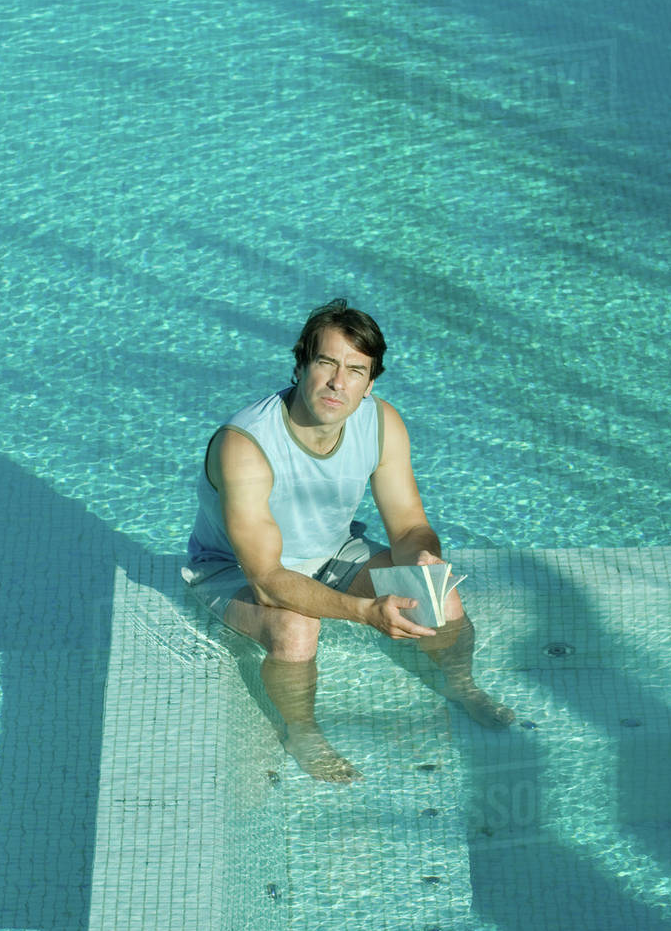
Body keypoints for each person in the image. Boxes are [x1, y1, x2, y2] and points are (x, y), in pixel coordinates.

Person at [183, 300, 513, 782]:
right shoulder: (245, 445)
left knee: (440, 597)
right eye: (327, 363)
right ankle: (301, 731)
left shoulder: (381, 423)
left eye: (356, 370)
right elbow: (269, 581)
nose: (339, 383)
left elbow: (408, 527)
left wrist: (423, 559)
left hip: (336, 552)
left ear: (370, 383)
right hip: (231, 569)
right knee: (296, 629)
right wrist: (364, 612)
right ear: (300, 365)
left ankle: (461, 686)